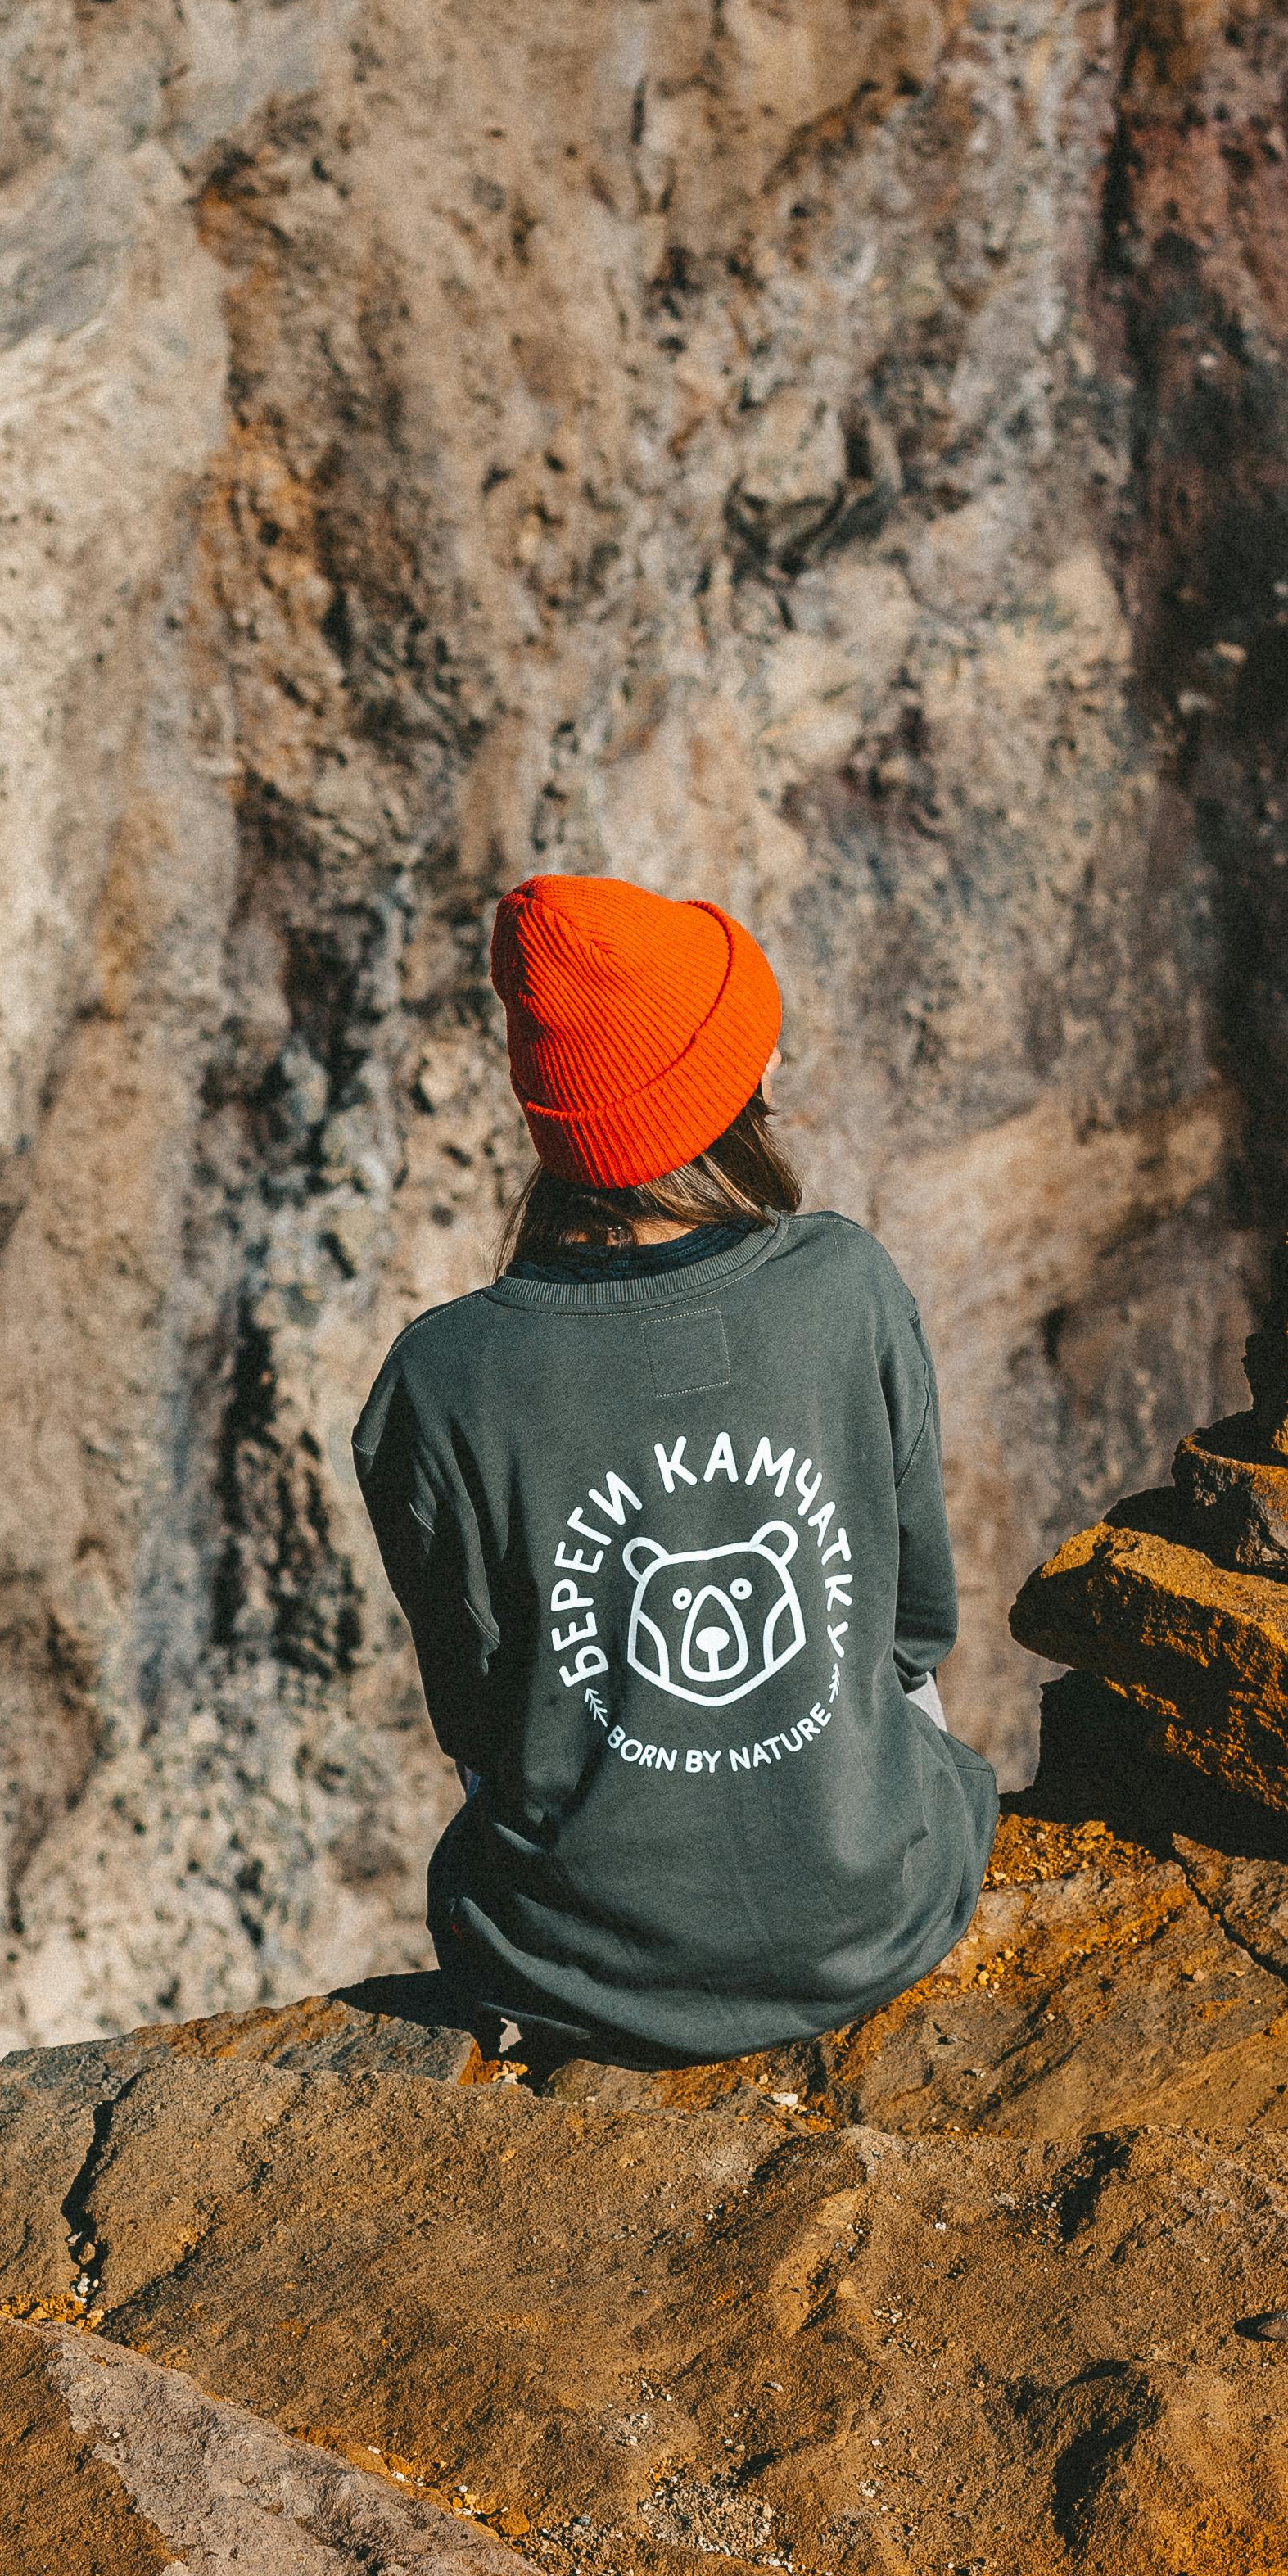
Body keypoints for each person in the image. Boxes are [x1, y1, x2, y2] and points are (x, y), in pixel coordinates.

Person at [351, 873, 1001, 2067]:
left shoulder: (439, 1381)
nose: (772, 1069)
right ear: (718, 1097)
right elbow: (915, 1628)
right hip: (874, 1919)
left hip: (575, 1967)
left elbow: (479, 1718)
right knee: (907, 1720)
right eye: (751, 1053)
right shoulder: (847, 1287)